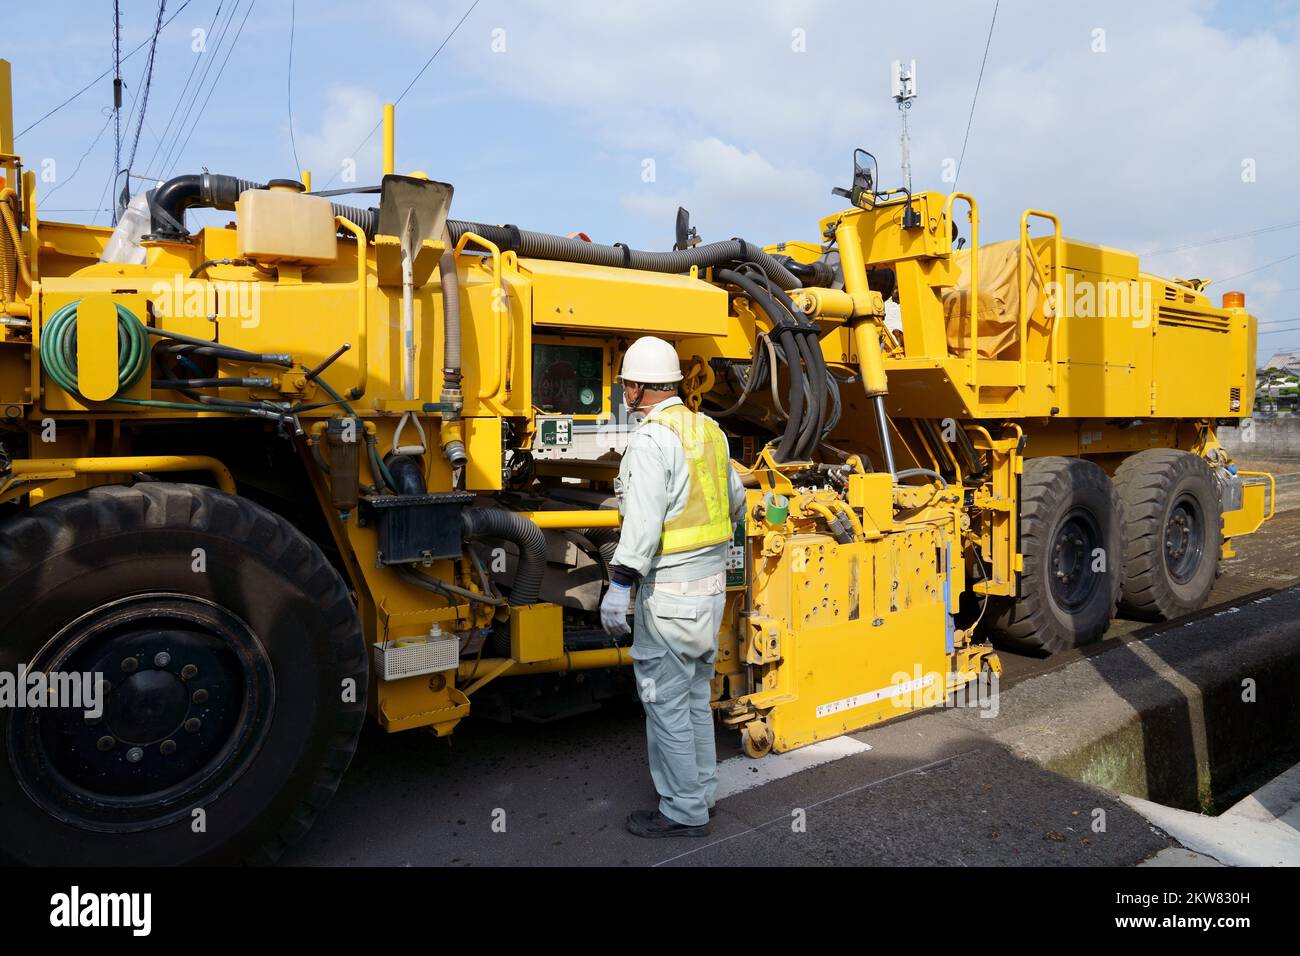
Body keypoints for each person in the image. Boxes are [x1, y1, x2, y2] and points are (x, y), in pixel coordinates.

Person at [599, 336, 747, 838]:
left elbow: (641, 526)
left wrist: (620, 585)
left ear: (639, 387)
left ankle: (683, 812)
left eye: (625, 384)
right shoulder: (710, 431)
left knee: (665, 705)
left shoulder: (649, 440)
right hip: (709, 591)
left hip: (669, 596)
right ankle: (702, 794)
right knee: (692, 698)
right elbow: (736, 502)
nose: (624, 391)